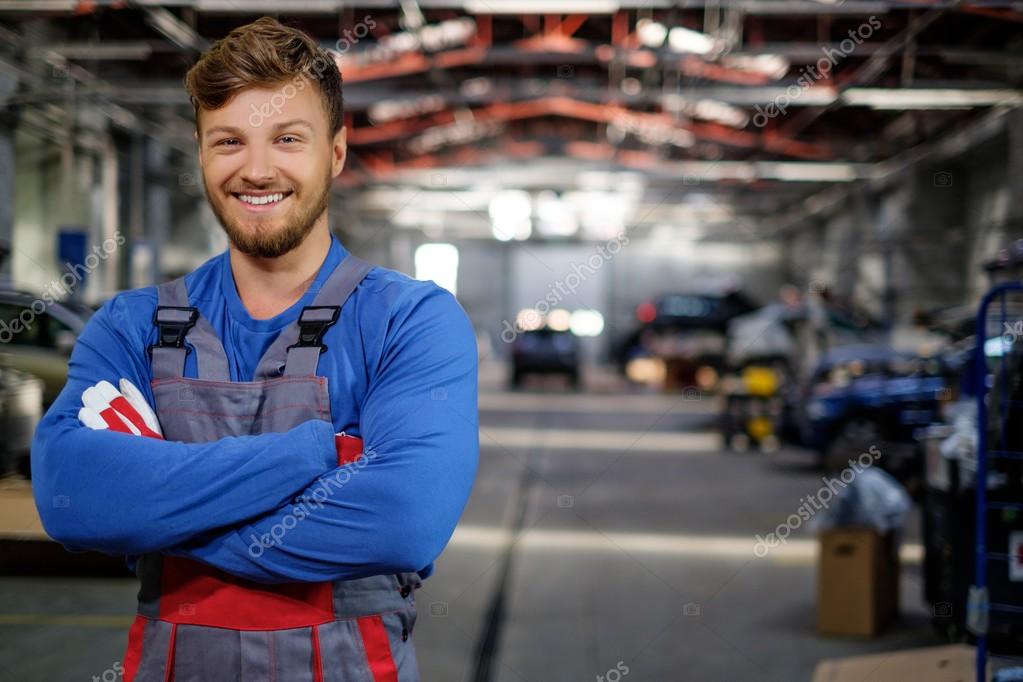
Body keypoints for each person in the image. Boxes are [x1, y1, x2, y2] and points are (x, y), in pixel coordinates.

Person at [30, 17, 478, 682]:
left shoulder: (407, 321)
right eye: (229, 141)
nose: (256, 169)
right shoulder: (131, 325)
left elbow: (402, 520)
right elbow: (72, 497)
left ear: (335, 153)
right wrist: (312, 453)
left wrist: (162, 515)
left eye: (287, 139)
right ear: (202, 153)